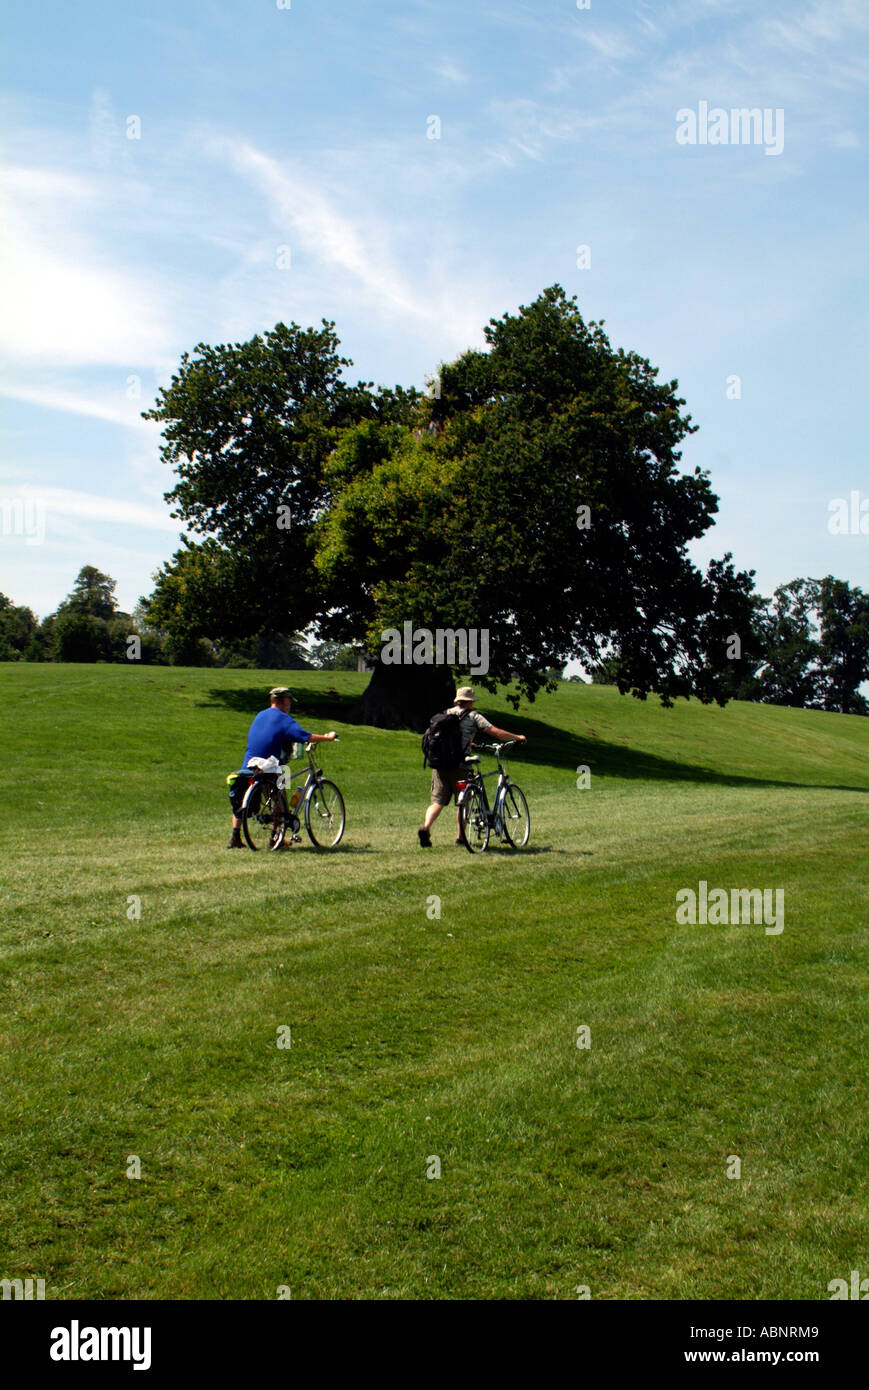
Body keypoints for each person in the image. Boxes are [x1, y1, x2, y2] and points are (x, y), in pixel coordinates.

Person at [227, 686, 337, 848]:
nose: (290, 704)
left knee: (242, 798)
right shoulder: (283, 718)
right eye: (289, 700)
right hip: (269, 768)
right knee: (281, 795)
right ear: (283, 701)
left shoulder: (260, 715)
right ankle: (275, 837)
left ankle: (235, 838)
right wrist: (328, 738)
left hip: (250, 766)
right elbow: (305, 736)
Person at [418, 686, 527, 847]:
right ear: (470, 702)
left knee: (437, 802)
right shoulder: (474, 716)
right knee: (463, 803)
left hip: (439, 765)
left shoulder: (444, 714)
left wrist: (470, 743)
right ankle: (461, 837)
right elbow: (495, 732)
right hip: (461, 766)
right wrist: (517, 737)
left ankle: (426, 828)